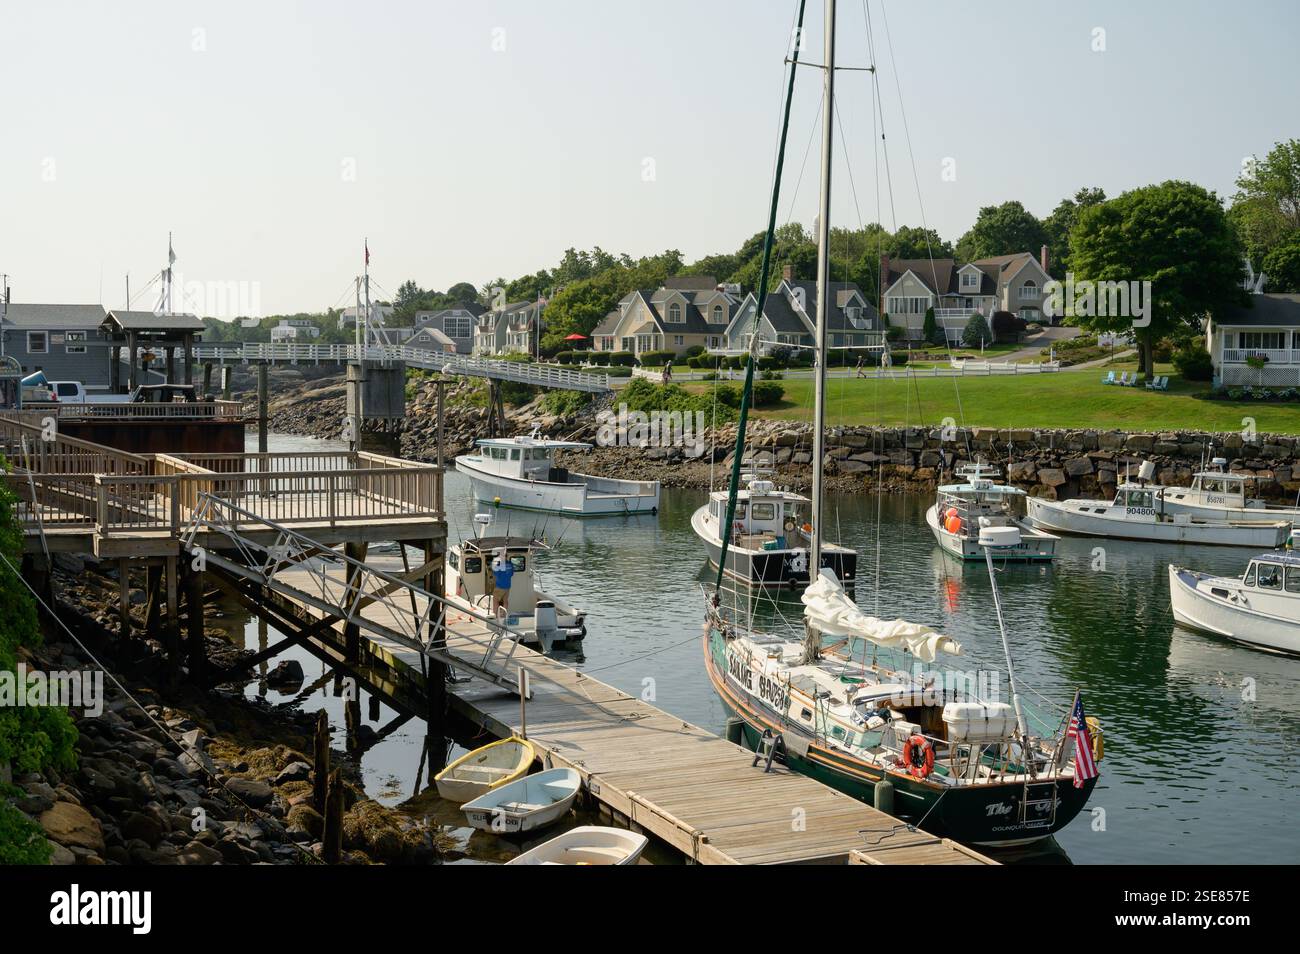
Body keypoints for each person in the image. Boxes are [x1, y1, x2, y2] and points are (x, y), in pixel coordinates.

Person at [490, 548, 514, 619]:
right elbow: (512, 574)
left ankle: (495, 617)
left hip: (500, 586)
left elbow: (495, 573)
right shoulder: (510, 564)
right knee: (505, 601)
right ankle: (503, 616)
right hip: (508, 586)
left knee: (495, 601)